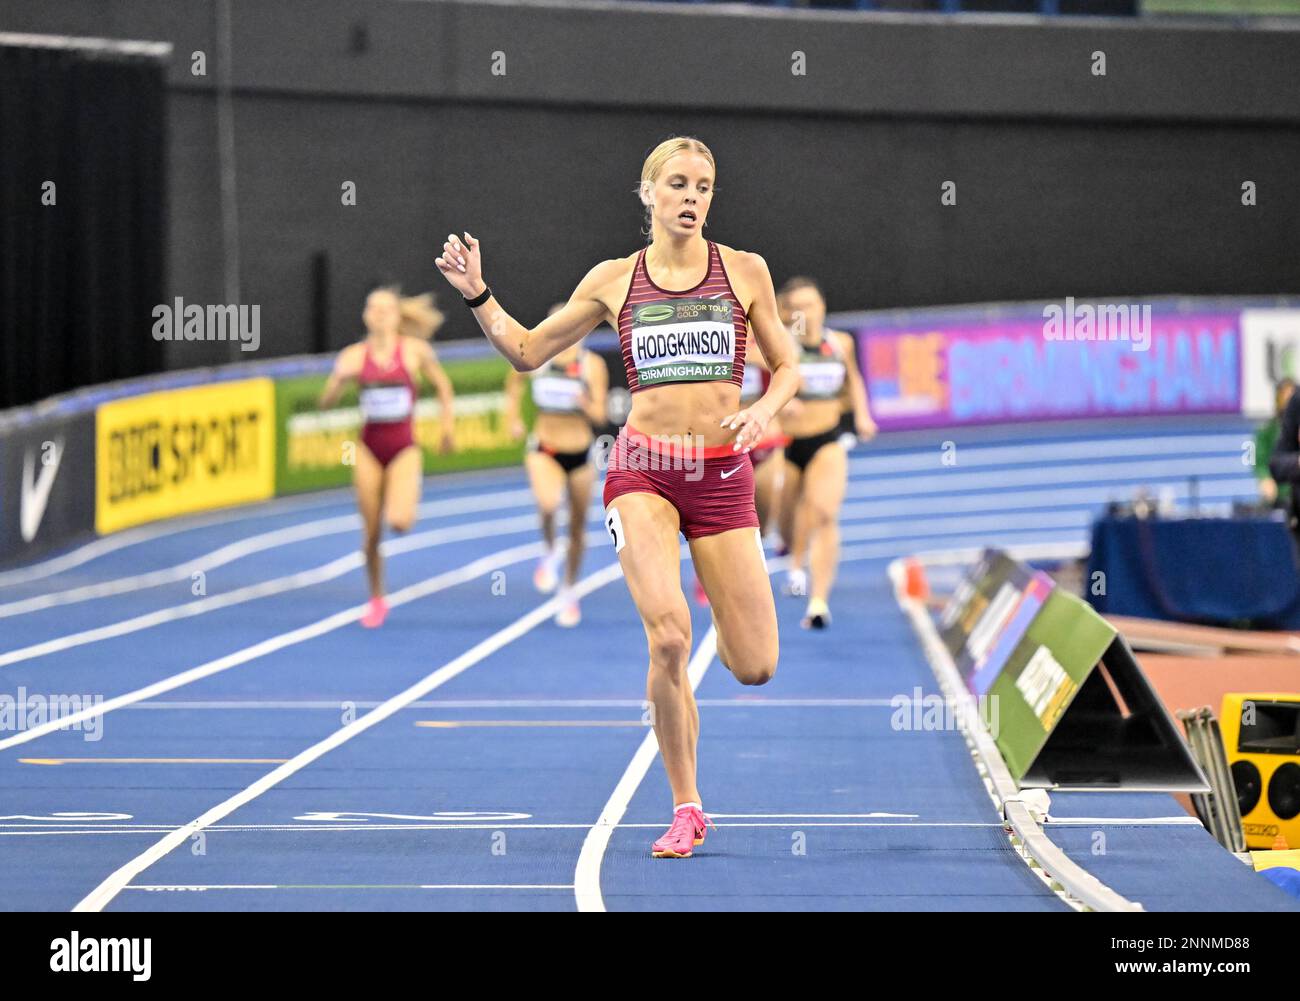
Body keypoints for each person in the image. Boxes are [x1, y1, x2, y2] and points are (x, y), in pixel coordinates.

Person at [434, 135, 799, 858]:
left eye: (704, 186)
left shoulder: (745, 270)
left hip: (723, 476)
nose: (691, 197)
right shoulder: (612, 280)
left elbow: (788, 364)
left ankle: (729, 606)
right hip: (645, 471)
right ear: (649, 195)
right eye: (678, 184)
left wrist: (765, 410)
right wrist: (479, 293)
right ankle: (686, 804)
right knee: (667, 635)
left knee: (755, 664)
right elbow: (529, 351)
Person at [319, 286, 456, 628]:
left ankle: (408, 491)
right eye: (373, 308)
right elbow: (325, 403)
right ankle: (377, 597)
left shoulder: (413, 352)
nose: (378, 314)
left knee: (400, 521)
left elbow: (443, 386)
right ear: (366, 315)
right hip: (367, 447)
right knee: (371, 533)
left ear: (396, 316)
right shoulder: (353, 356)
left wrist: (447, 428)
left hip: (403, 447)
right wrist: (337, 381)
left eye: (385, 309)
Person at [775, 276, 876, 629]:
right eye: (798, 307)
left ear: (823, 307)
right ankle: (792, 557)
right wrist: (779, 403)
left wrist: (862, 414)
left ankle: (818, 602)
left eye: (812, 305)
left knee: (823, 513)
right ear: (785, 313)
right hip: (785, 447)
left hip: (827, 440)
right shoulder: (776, 345)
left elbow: (855, 381)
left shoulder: (840, 342)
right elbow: (751, 384)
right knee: (787, 525)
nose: (807, 313)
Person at [504, 303, 610, 626]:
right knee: (548, 504)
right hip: (544, 447)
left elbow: (601, 416)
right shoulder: (538, 357)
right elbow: (514, 382)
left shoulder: (591, 365)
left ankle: (568, 589)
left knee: (578, 529)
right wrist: (512, 418)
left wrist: (585, 403)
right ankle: (550, 550)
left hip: (579, 454)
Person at [1256, 378, 1295, 509]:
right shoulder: (1267, 430)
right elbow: (1258, 461)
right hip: (1278, 496)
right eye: (1285, 396)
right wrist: (1264, 478)